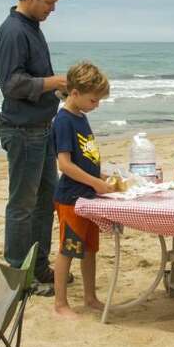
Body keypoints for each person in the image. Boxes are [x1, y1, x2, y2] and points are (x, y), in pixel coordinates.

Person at [0, 0, 72, 296]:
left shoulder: (32, 27)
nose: (53, 7)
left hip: (41, 129)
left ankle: (38, 268)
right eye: (49, 1)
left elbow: (31, 77)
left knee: (44, 203)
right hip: (22, 130)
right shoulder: (12, 32)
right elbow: (11, 84)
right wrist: (53, 82)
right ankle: (17, 279)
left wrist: (60, 92)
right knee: (22, 206)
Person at [51, 61, 115, 318]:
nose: (96, 105)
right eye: (93, 100)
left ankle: (90, 297)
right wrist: (95, 182)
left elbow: (84, 158)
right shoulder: (64, 121)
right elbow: (65, 165)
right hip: (71, 198)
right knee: (69, 248)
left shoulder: (81, 117)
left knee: (90, 249)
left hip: (88, 194)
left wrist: (101, 177)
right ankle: (60, 304)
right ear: (74, 93)